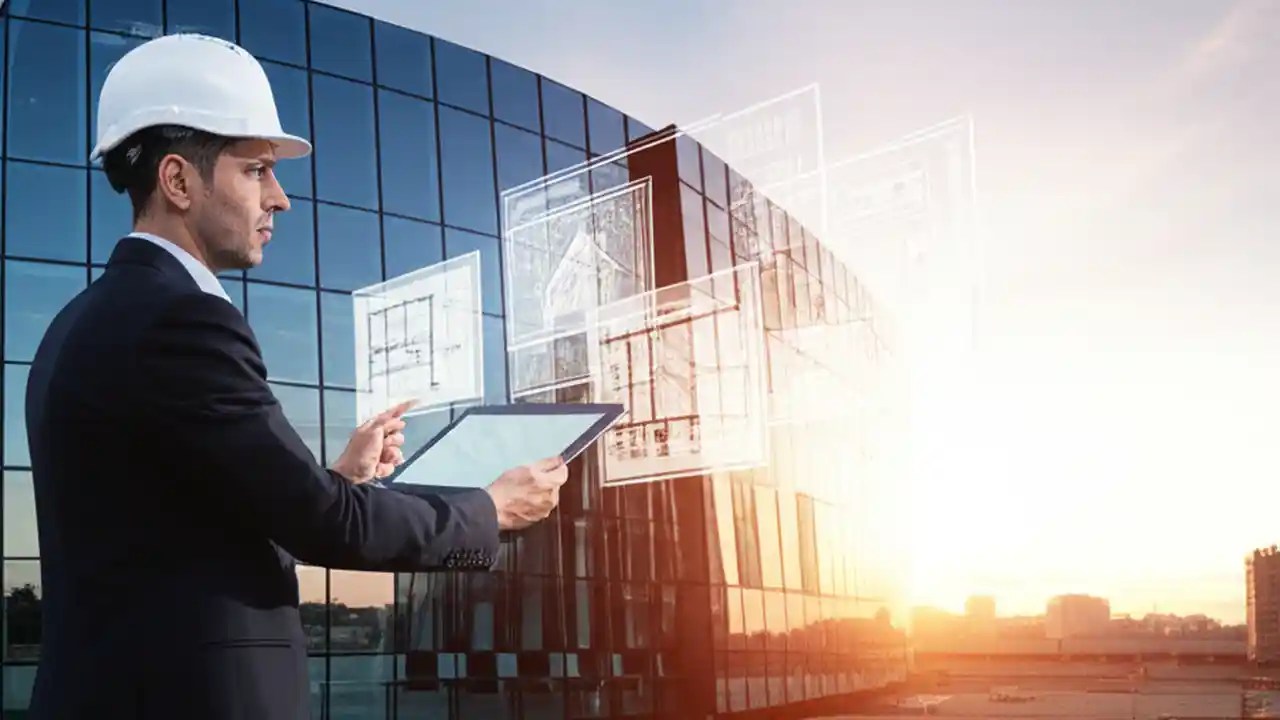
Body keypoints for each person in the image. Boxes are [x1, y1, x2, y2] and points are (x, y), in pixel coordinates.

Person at [23, 33, 567, 720]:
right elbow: (323, 527)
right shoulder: (179, 322)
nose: (280, 199)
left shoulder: (80, 323)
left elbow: (184, 537)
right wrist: (490, 513)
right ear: (179, 181)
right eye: (256, 170)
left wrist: (336, 481)